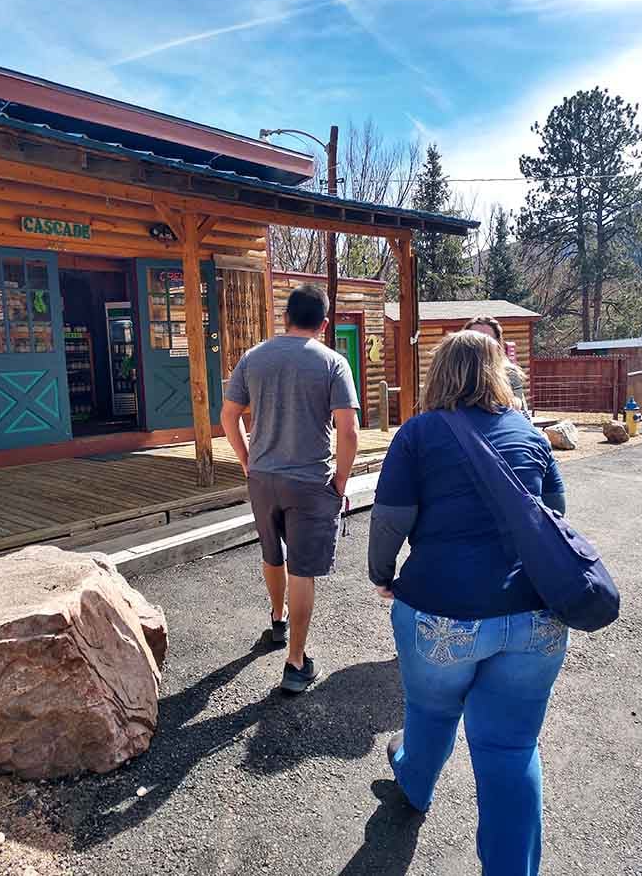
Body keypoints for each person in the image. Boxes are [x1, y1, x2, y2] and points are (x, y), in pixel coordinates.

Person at [368, 330, 567, 876]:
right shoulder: (531, 435)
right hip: (537, 618)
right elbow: (556, 520)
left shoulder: (418, 435)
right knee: (511, 747)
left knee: (431, 712)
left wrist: (382, 576)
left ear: (440, 374)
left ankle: (415, 783)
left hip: (442, 612)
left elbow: (389, 518)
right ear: (499, 372)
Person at [221, 284, 360, 693]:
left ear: (284, 318)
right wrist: (341, 481)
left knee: (271, 554)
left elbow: (229, 417)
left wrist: (248, 461)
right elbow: (348, 431)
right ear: (324, 322)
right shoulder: (334, 363)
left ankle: (277, 621)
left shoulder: (253, 358)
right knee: (303, 570)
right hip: (310, 481)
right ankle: (295, 662)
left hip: (263, 478)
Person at [463, 315, 529, 412]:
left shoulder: (509, 373)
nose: (482, 344)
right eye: (475, 339)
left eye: (488, 339)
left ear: (497, 343)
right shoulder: (454, 373)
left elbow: (520, 409)